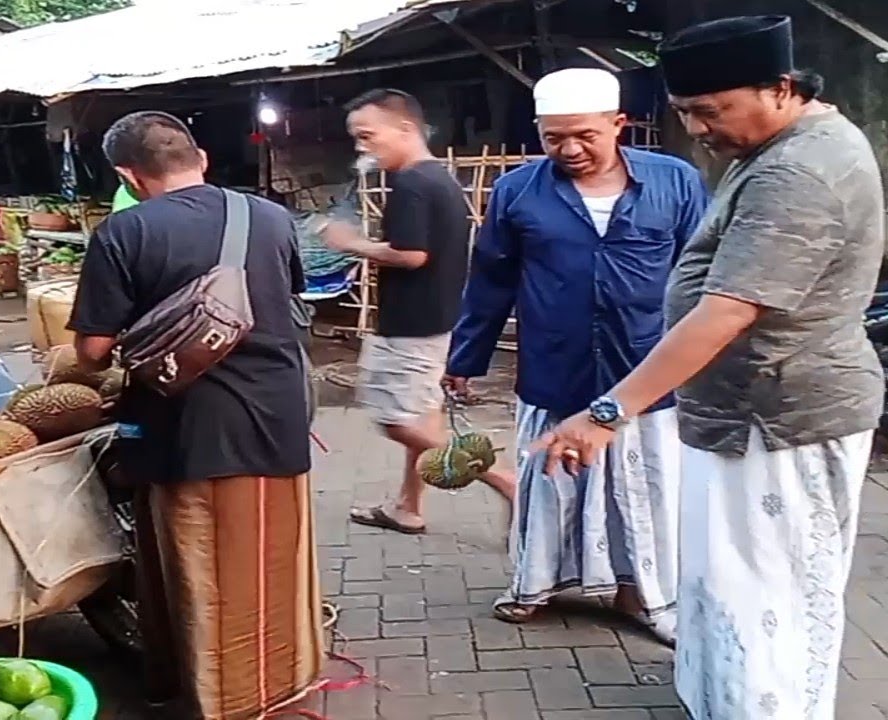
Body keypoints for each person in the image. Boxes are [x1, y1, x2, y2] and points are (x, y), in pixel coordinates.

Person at [532, 16, 884, 719]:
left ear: (779, 88)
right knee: (728, 579)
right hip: (741, 413)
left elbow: (728, 312)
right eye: (686, 112)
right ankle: (724, 699)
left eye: (709, 110)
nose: (696, 129)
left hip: (782, 416)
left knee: (770, 590)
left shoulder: (802, 170)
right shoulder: (775, 146)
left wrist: (609, 411)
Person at [67, 111, 322, 720]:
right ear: (199, 156)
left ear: (127, 174)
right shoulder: (269, 215)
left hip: (185, 423)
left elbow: (93, 349)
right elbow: (285, 297)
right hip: (277, 413)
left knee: (201, 562)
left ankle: (223, 697)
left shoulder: (122, 232)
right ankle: (288, 672)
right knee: (275, 551)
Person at [446, 68, 708, 644]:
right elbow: (491, 278)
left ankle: (647, 595)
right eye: (553, 137)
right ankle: (533, 583)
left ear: (619, 124)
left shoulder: (676, 182)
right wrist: (465, 357)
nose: (569, 150)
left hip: (644, 370)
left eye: (584, 135)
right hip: (553, 365)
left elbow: (702, 276)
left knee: (649, 489)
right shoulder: (518, 190)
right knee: (548, 478)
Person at [320, 88, 517, 536]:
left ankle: (506, 480)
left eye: (368, 136)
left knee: (396, 421)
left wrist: (350, 243)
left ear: (405, 128)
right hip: (435, 317)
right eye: (357, 139)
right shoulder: (437, 177)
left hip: (410, 325)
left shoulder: (412, 183)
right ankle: (408, 506)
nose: (362, 147)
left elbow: (412, 255)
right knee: (421, 416)